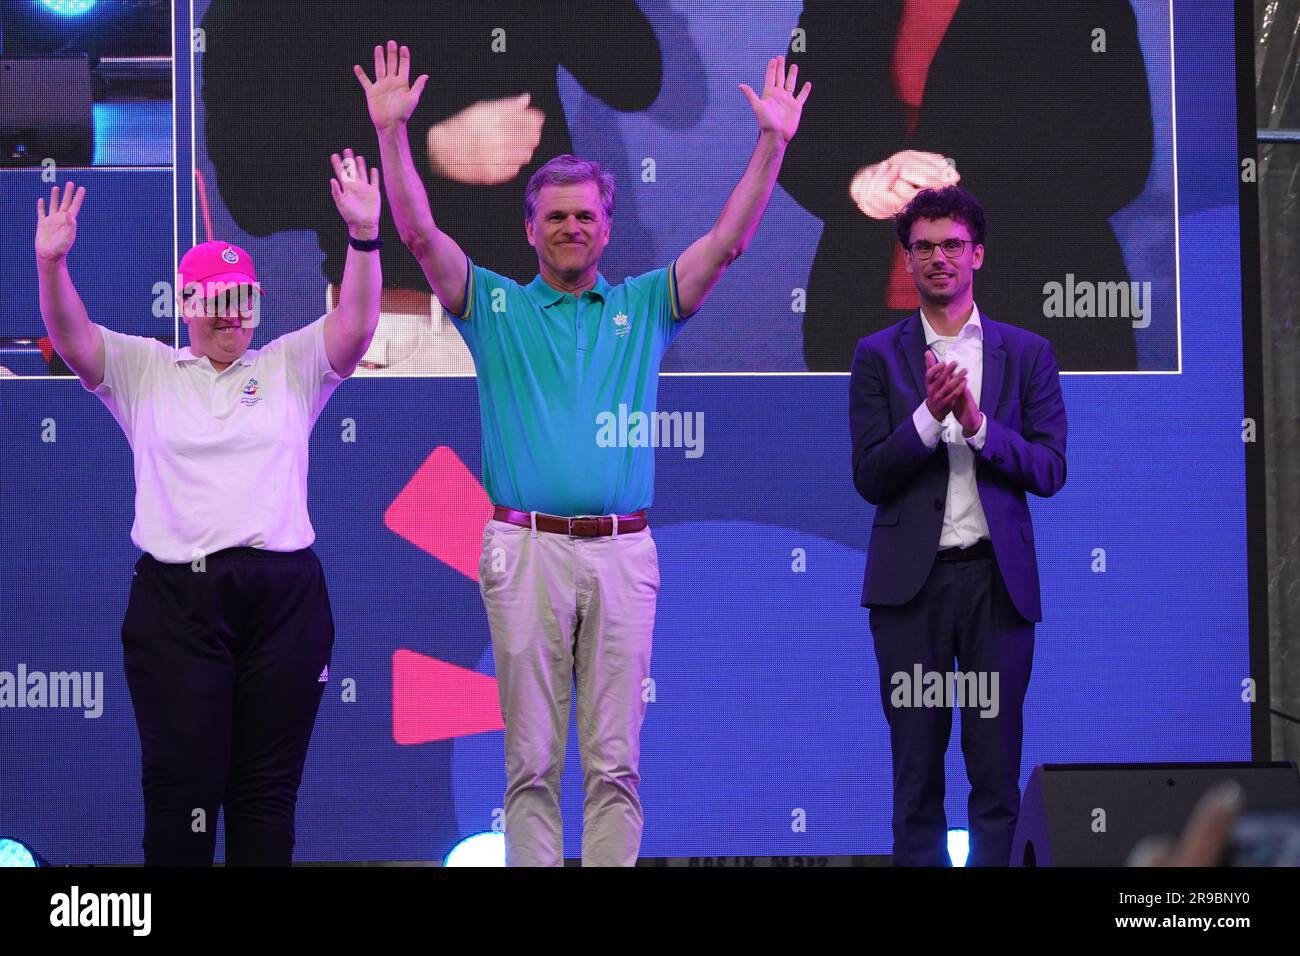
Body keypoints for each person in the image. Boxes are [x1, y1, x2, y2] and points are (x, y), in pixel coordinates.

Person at [355, 40, 809, 865]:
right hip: (521, 548)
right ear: (530, 229)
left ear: (607, 228)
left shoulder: (647, 304)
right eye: (555, 215)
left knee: (616, 764)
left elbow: (730, 241)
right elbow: (419, 234)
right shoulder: (491, 305)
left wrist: (773, 142)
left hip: (622, 552)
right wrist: (392, 135)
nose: (571, 226)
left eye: (586, 215)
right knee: (530, 763)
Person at [33, 149, 383, 865]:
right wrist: (51, 265)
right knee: (182, 794)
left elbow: (356, 322)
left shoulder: (290, 364)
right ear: (186, 304)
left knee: (264, 793)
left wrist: (364, 237)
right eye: (217, 298)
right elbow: (72, 338)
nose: (232, 313)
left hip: (284, 600)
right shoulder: (146, 369)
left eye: (244, 297)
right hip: (178, 604)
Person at [201, 0, 662, 374]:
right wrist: (429, 152)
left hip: (538, 319)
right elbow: (254, 193)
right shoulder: (257, 15)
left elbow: (633, 77)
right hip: (400, 331)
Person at [849, 185, 1067, 866]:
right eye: (923, 248)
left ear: (977, 253)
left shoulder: (1027, 353)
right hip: (909, 595)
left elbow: (1050, 469)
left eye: (951, 245)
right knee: (916, 774)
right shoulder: (877, 356)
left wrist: (976, 426)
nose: (938, 258)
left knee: (995, 774)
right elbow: (870, 477)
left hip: (997, 590)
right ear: (907, 262)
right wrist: (926, 419)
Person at [781, 0, 1153, 372]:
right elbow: (792, 136)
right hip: (865, 313)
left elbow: (1118, 160)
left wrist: (956, 188)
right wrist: (860, 185)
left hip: (1035, 310)